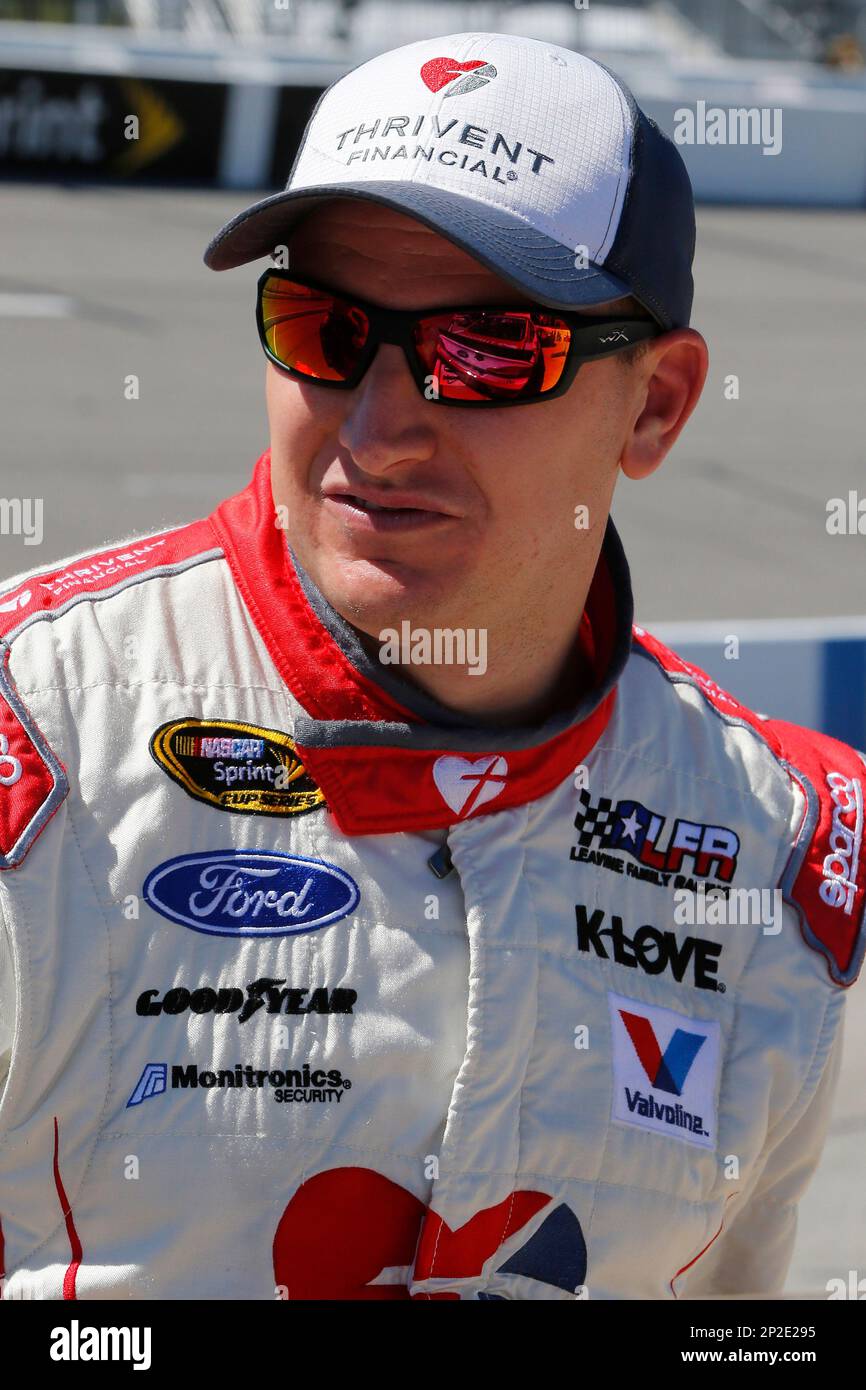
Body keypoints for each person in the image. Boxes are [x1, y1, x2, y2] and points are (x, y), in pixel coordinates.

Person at [0, 31, 862, 1302]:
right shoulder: (40, 741)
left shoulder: (781, 848)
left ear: (659, 405)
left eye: (490, 346)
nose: (377, 426)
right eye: (326, 327)